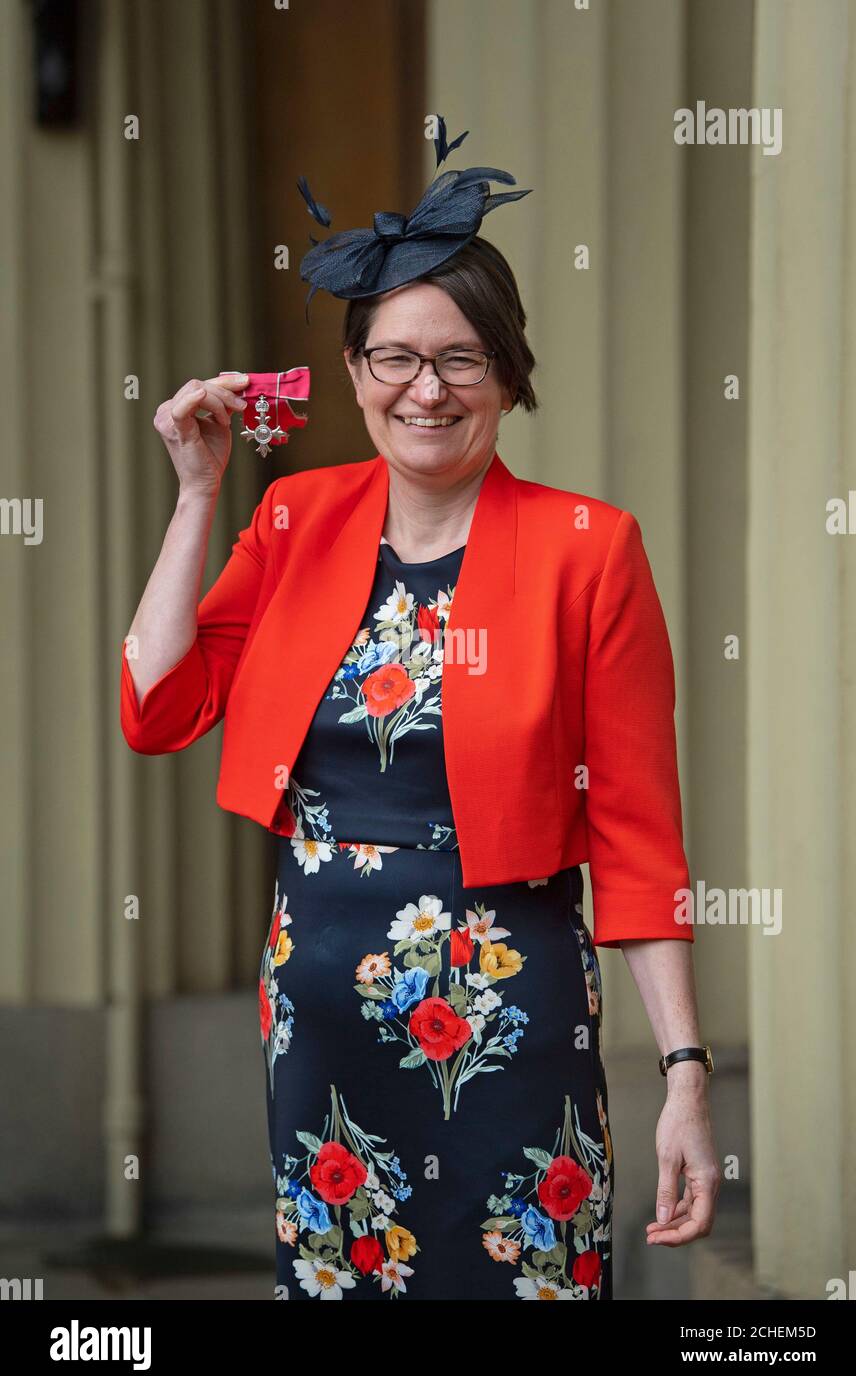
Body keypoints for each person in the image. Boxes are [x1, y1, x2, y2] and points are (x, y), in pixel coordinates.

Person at [120, 119, 721, 1302]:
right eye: (393, 358)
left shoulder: (588, 549)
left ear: (507, 372)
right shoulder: (296, 517)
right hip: (322, 1005)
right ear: (352, 375)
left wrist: (685, 1077)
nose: (424, 390)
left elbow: (639, 834)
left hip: (512, 1004)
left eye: (458, 359)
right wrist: (198, 495)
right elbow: (157, 704)